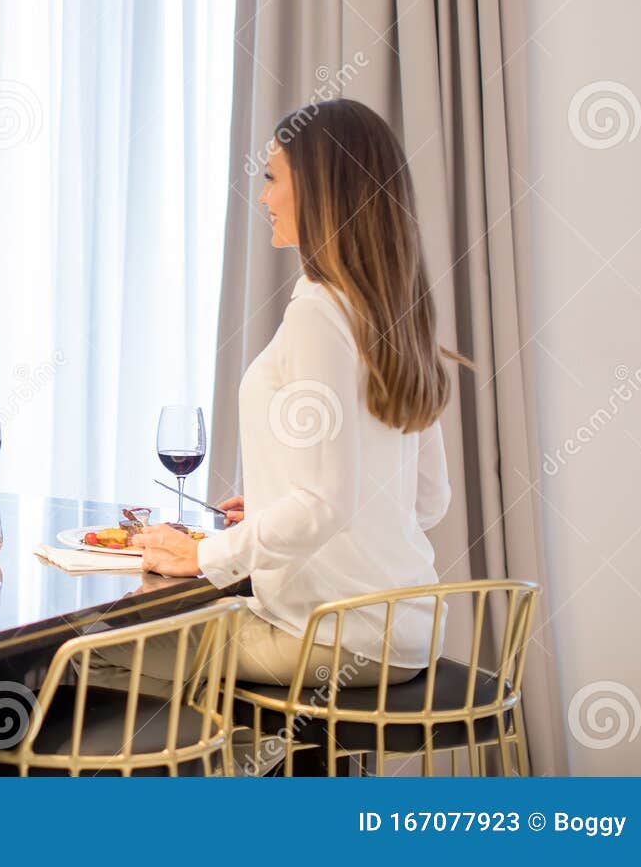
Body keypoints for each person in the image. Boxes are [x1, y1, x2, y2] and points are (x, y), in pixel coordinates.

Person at [131, 98, 459, 687]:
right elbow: (426, 500)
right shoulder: (391, 314)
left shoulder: (318, 312)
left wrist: (201, 556)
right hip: (409, 631)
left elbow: (325, 504)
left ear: (321, 189)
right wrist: (278, 504)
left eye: (272, 178)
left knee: (79, 656)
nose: (263, 198)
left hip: (333, 636)